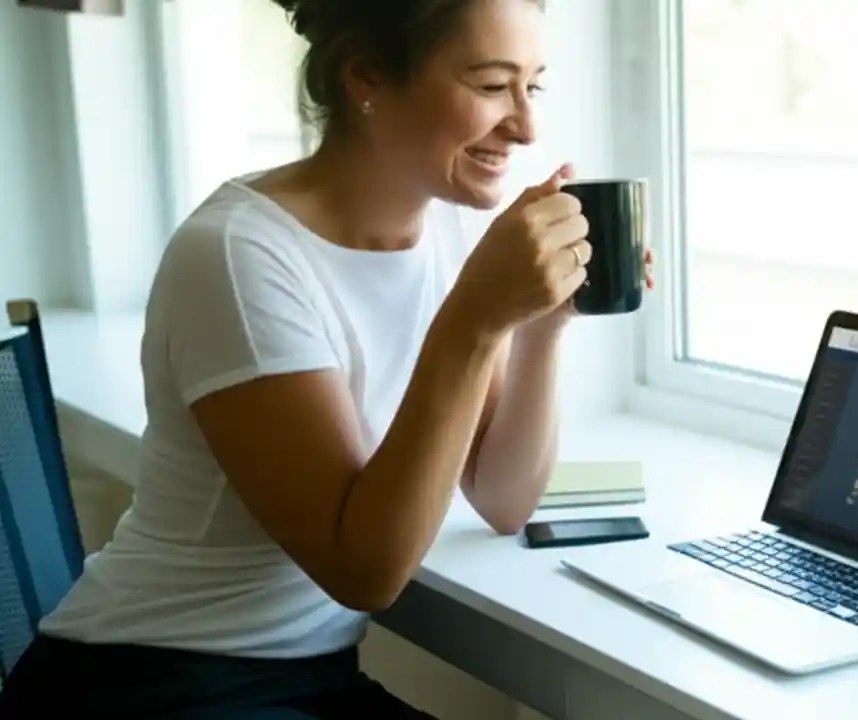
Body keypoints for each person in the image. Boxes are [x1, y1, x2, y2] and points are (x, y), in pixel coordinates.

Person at [0, 0, 651, 716]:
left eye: (535, 86)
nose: (526, 126)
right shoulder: (238, 256)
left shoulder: (447, 233)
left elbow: (501, 498)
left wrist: (540, 325)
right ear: (366, 75)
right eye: (493, 86)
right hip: (152, 680)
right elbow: (365, 572)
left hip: (307, 679)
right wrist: (472, 318)